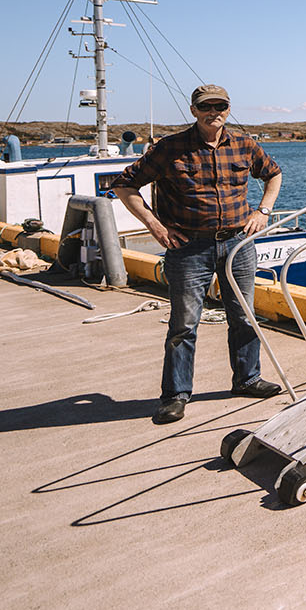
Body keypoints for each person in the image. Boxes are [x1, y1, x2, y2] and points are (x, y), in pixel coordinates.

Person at [111, 84, 284, 424]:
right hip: (189, 248)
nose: (213, 112)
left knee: (244, 316)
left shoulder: (244, 145)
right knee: (183, 325)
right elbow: (124, 185)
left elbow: (273, 174)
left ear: (228, 109)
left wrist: (262, 211)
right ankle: (175, 395)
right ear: (193, 110)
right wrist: (155, 225)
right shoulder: (171, 148)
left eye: (220, 106)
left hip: (237, 244)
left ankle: (247, 379)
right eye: (206, 107)